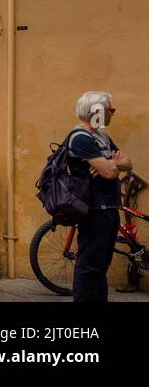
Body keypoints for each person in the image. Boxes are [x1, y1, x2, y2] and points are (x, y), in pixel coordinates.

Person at [66, 91, 133, 303]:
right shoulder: (80, 138)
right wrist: (112, 164)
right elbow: (110, 172)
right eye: (110, 109)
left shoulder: (101, 136)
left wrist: (109, 162)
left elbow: (128, 163)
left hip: (109, 208)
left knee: (101, 265)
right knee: (88, 265)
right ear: (97, 112)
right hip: (94, 209)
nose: (113, 113)